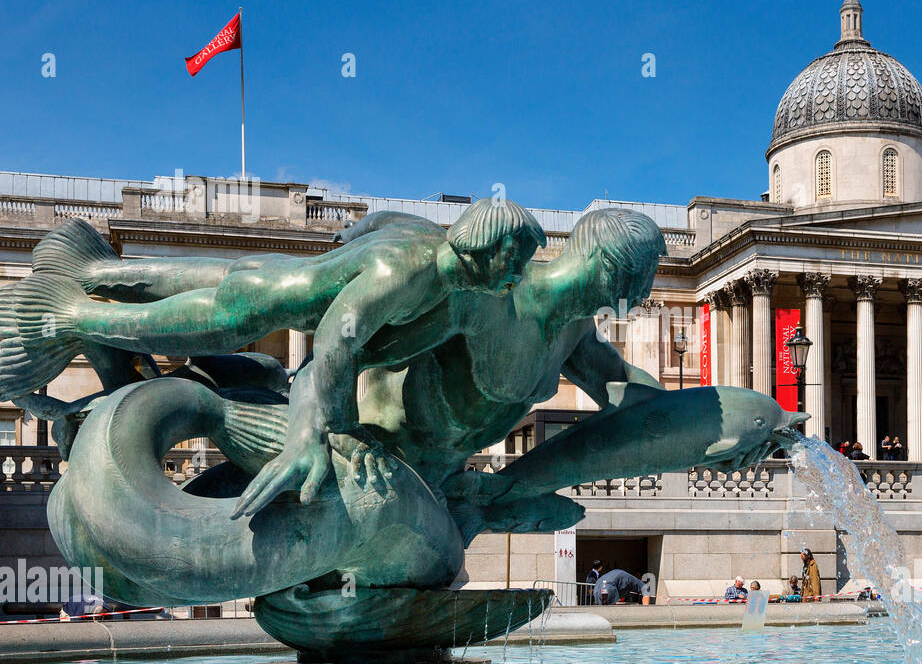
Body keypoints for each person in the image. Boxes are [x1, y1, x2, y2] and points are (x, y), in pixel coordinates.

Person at [0, 202, 547, 519]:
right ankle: (55, 314)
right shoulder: (412, 273)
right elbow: (335, 342)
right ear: (486, 246)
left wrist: (350, 236)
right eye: (515, 260)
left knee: (124, 282)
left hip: (266, 280)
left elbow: (384, 218)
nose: (517, 276)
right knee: (110, 322)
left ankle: (85, 271)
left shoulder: (430, 248)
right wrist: (327, 433)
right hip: (250, 311)